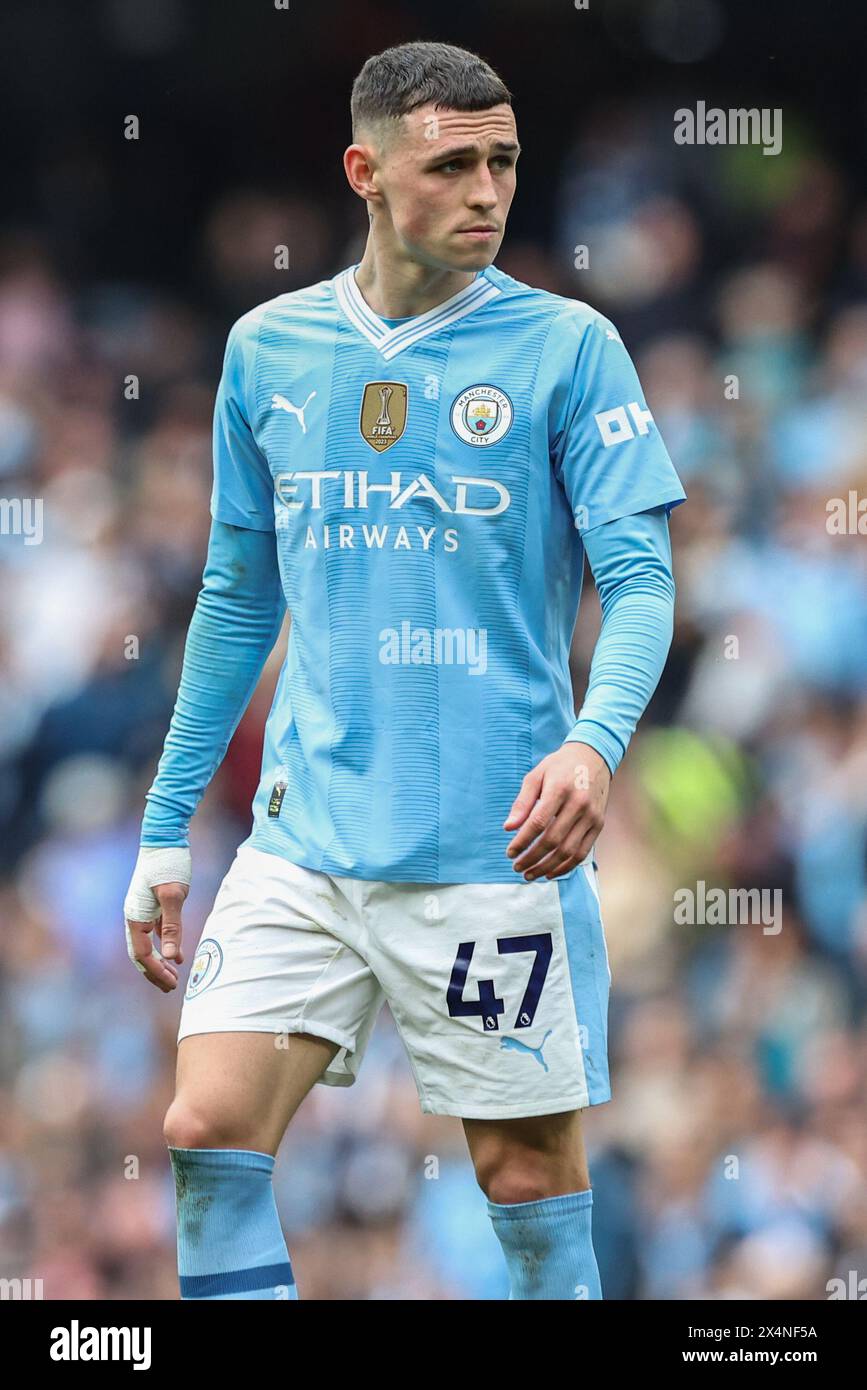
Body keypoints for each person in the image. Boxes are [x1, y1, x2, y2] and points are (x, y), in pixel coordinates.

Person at [123, 39, 685, 1301]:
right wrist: (166, 832)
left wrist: (593, 745)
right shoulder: (269, 350)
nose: (489, 192)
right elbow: (235, 595)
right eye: (454, 165)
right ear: (365, 172)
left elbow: (641, 582)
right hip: (305, 841)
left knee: (532, 1189)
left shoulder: (567, 347)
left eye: (505, 164)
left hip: (494, 851)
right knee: (206, 1131)